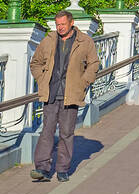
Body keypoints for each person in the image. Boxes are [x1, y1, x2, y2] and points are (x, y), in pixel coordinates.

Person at [30, 10, 101, 182]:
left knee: (66, 133)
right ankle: (42, 168)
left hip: (71, 94)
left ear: (71, 23)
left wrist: (83, 82)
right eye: (57, 25)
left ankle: (62, 169)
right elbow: (35, 63)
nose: (60, 27)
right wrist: (42, 79)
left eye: (63, 24)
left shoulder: (85, 41)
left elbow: (94, 64)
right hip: (51, 93)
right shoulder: (49, 40)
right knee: (47, 130)